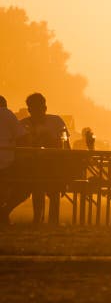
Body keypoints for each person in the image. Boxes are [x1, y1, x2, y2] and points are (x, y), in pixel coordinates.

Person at [18, 93, 70, 224]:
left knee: (46, 181)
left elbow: (66, 147)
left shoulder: (56, 121)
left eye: (40, 108)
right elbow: (19, 149)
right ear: (29, 110)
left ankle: (47, 219)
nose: (38, 112)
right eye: (34, 109)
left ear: (45, 108)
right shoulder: (23, 125)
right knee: (39, 181)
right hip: (32, 168)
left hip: (54, 167)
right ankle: (41, 219)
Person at [0, 96, 26, 224]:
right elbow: (21, 136)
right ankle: (4, 212)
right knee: (25, 185)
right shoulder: (7, 114)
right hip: (6, 162)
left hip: (5, 163)